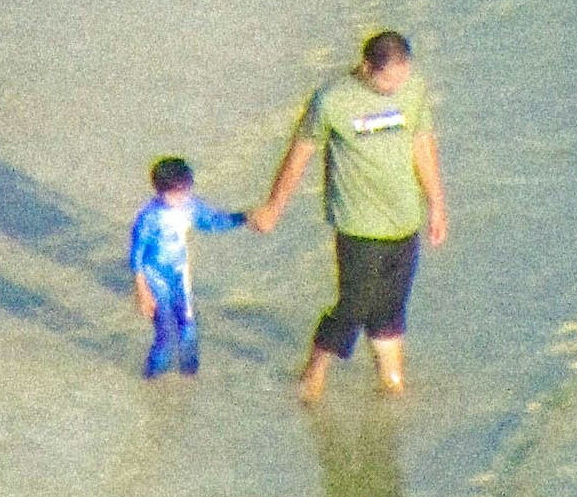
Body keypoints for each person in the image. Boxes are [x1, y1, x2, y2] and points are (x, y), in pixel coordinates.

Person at [251, 29, 446, 402]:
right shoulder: (332, 100)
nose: (395, 87)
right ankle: (313, 374)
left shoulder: (414, 89)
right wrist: (274, 207)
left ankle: (392, 383)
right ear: (366, 68)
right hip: (358, 224)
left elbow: (422, 143)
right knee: (354, 304)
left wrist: (436, 203)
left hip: (405, 220)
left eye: (402, 78)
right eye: (388, 80)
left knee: (391, 307)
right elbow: (300, 153)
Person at [128, 155, 246, 377]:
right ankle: (151, 381)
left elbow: (213, 222)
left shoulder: (190, 207)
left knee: (188, 329)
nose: (183, 195)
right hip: (155, 278)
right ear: (160, 191)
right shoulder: (148, 218)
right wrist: (142, 291)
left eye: (187, 189)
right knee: (165, 335)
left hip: (179, 274)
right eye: (177, 192)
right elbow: (136, 257)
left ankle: (189, 379)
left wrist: (244, 218)